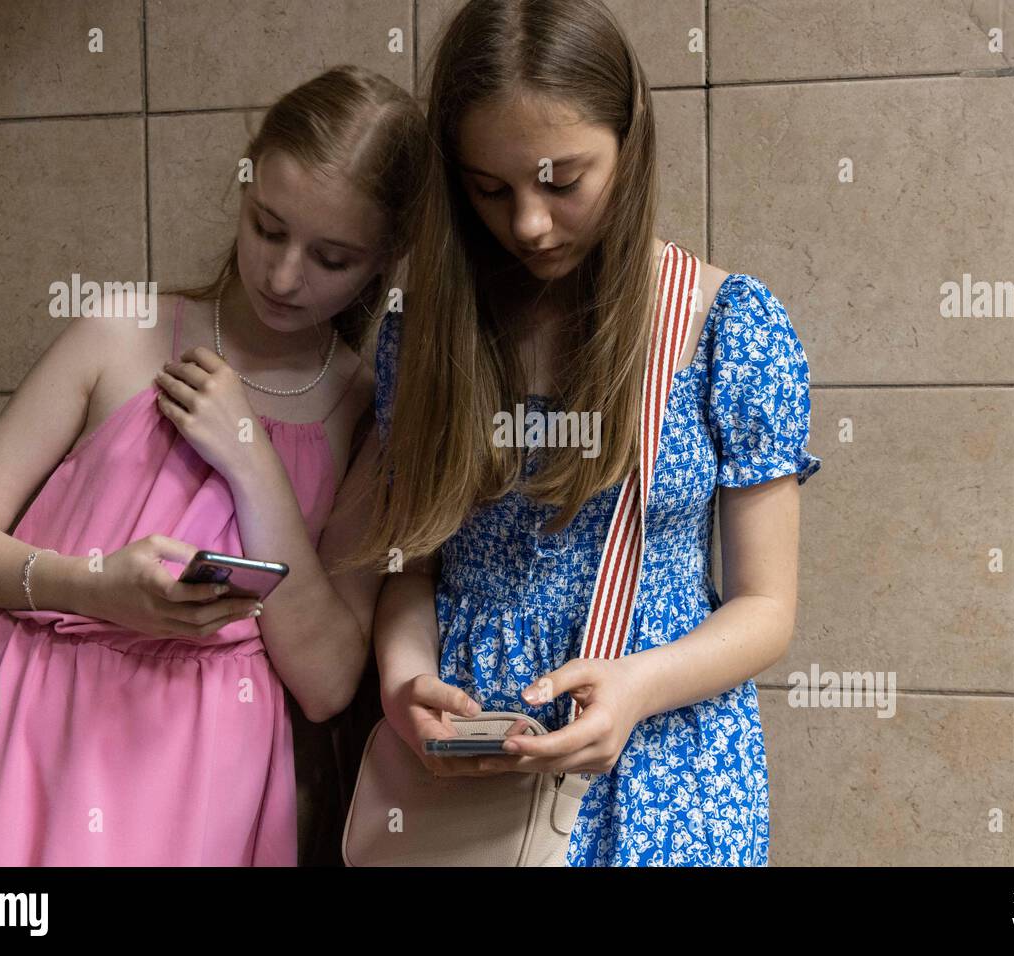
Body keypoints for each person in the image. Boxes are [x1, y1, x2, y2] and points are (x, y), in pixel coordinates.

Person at [0, 64, 426, 866]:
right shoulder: (122, 334)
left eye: (332, 258)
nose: (284, 275)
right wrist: (96, 589)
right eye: (268, 227)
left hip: (199, 771)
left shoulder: (363, 412)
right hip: (27, 728)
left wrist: (252, 461)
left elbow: (324, 681)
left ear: (386, 256)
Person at [336, 0, 823, 867]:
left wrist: (636, 687)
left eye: (562, 181)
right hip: (475, 779)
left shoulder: (726, 326)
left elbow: (767, 606)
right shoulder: (428, 335)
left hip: (669, 776)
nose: (527, 222)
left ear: (630, 144)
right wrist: (404, 679)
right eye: (491, 189)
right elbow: (411, 560)